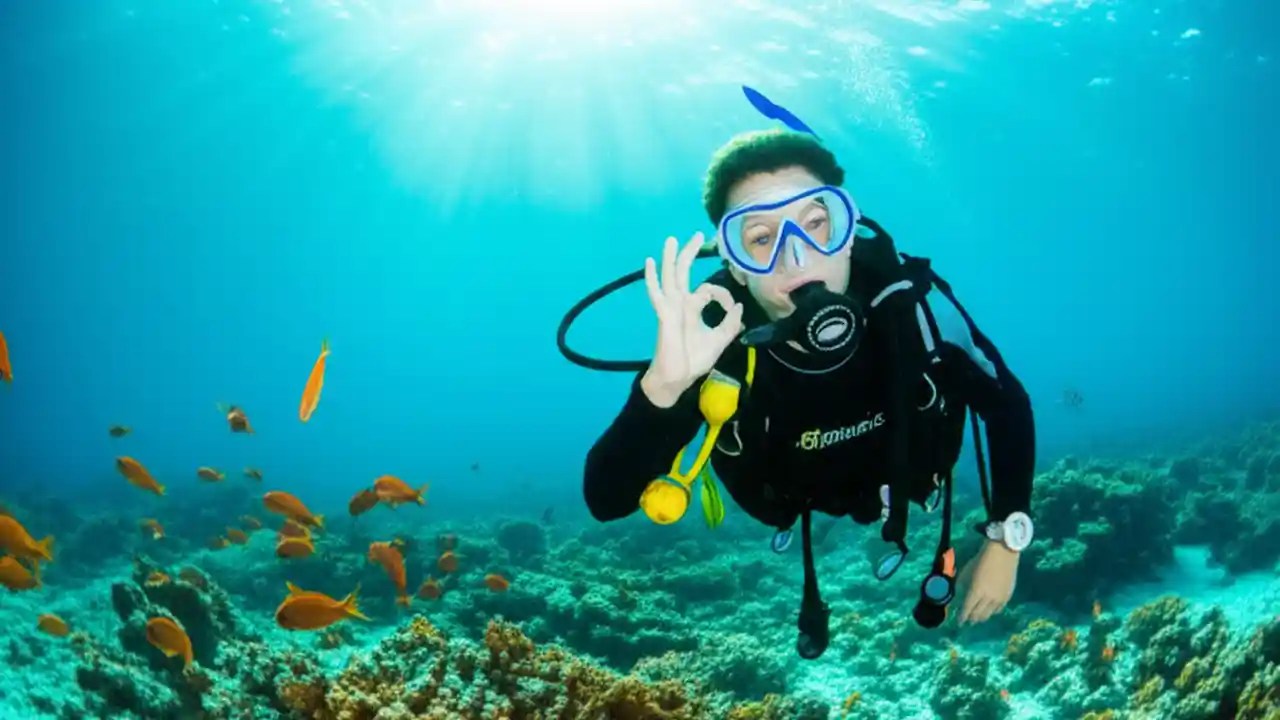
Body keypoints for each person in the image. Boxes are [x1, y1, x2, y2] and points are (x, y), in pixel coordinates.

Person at [561, 88, 1036, 659]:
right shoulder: (716, 339)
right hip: (791, 495)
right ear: (733, 262)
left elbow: (1006, 405)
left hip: (907, 480)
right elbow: (605, 499)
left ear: (849, 228)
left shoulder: (911, 307)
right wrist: (663, 389)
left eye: (818, 224)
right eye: (760, 239)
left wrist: (1007, 539)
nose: (797, 257)